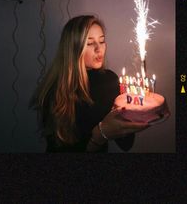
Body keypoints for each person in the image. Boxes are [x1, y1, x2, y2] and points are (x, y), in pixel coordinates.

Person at [29, 15, 149, 152]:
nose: (99, 49)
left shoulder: (109, 80)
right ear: (73, 48)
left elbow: (126, 144)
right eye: (90, 43)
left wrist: (130, 113)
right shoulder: (54, 90)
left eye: (102, 41)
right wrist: (98, 136)